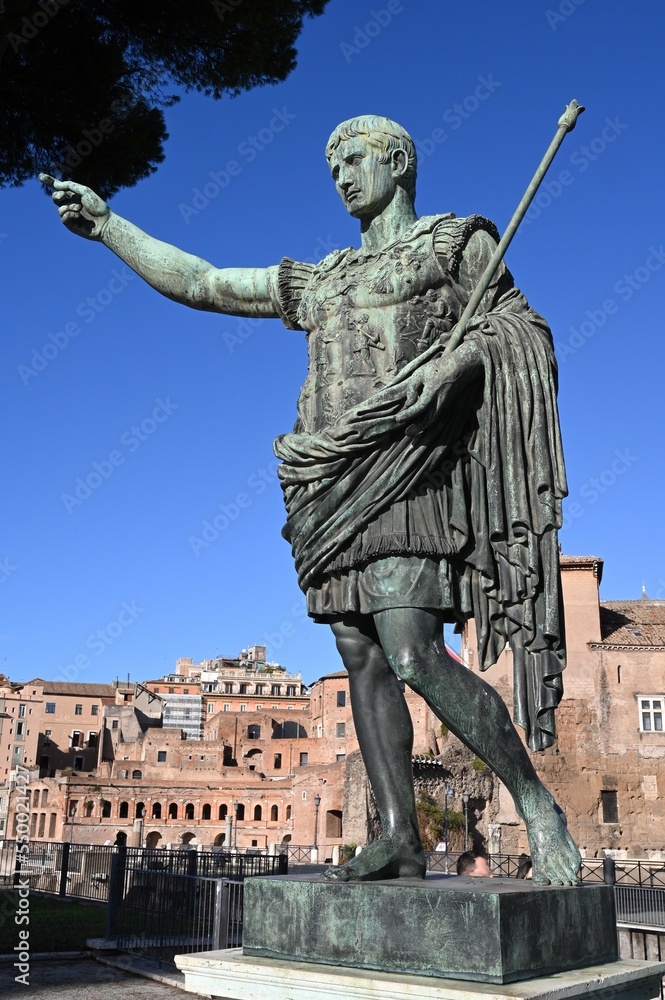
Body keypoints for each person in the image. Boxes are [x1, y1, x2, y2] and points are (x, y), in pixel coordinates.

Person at [40, 114, 581, 886]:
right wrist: (109, 227)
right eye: (331, 166)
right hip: (327, 483)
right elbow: (204, 283)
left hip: (407, 469)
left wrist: (459, 362)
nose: (340, 176)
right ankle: (396, 833)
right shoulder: (321, 278)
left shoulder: (452, 244)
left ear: (397, 160)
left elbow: (518, 328)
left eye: (352, 159)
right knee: (359, 655)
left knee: (411, 652)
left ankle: (534, 804)